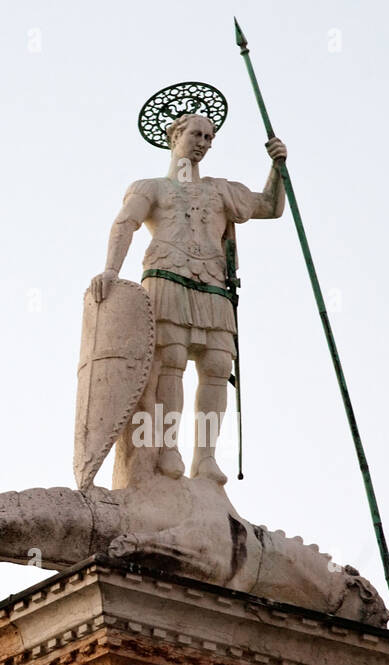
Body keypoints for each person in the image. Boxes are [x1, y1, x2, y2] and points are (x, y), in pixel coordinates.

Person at [90, 113, 286, 484]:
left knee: (215, 365)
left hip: (213, 279)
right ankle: (167, 448)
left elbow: (270, 207)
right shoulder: (151, 187)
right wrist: (111, 270)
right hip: (167, 273)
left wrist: (278, 166)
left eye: (210, 138)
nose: (204, 142)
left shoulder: (221, 191)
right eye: (196, 134)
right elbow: (125, 223)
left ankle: (207, 458)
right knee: (173, 360)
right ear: (175, 134)